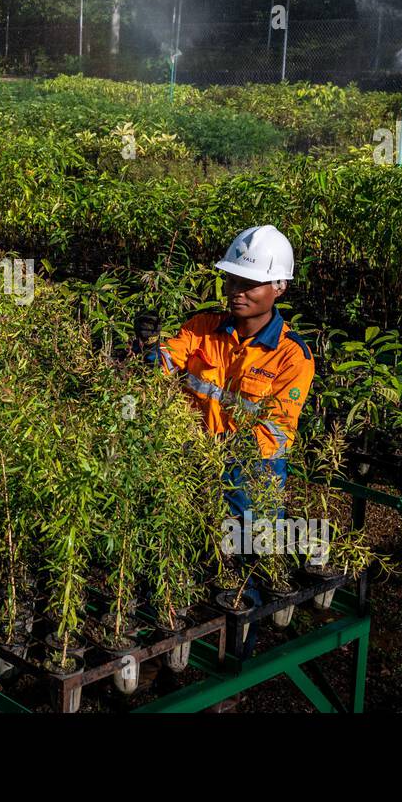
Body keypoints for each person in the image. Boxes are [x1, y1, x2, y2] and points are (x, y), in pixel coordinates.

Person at [134, 224, 315, 658]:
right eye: (232, 280)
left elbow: (275, 432)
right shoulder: (203, 327)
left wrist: (219, 455)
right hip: (192, 463)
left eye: (248, 283)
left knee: (242, 571)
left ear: (279, 287)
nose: (236, 291)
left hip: (252, 478)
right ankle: (168, 653)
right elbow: (166, 361)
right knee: (176, 549)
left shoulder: (292, 356)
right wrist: (146, 351)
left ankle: (236, 667)